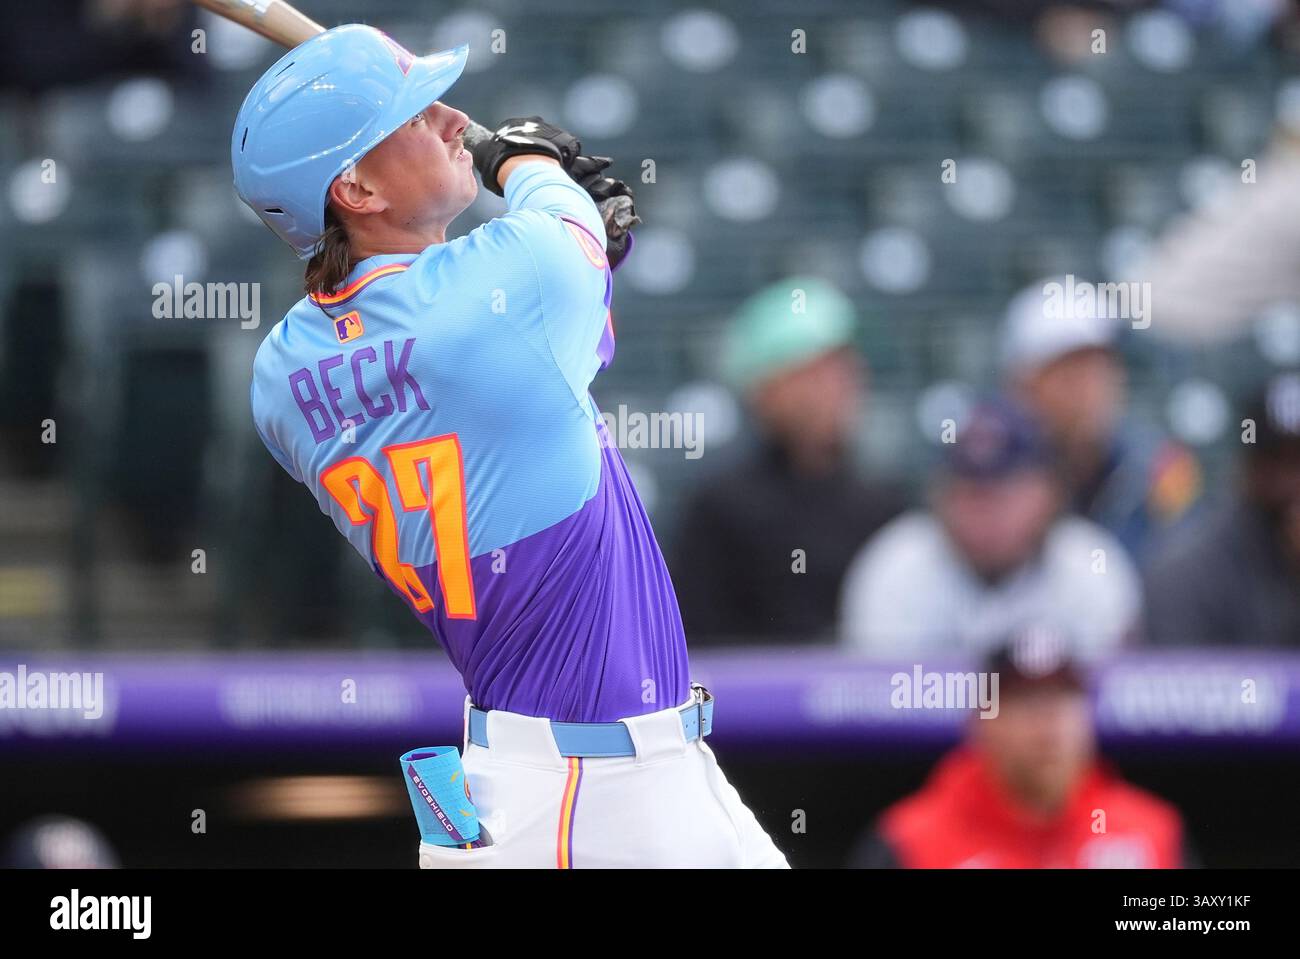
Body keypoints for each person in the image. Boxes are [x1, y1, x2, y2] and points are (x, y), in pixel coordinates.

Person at [233, 25, 786, 868]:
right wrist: (522, 154)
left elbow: (493, 298)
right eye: (416, 115)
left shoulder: (279, 375)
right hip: (589, 794)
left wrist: (529, 187)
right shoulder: (505, 287)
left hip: (579, 773)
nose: (453, 116)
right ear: (354, 186)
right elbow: (554, 219)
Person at [670, 277, 905, 644]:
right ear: (764, 390)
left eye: (842, 367)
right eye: (812, 373)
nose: (837, 385)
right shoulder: (719, 512)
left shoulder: (884, 503)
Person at [850, 632, 1191, 868]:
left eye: (1063, 698)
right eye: (1025, 701)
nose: (1049, 722)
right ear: (981, 721)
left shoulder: (1154, 832)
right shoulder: (908, 843)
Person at [840, 398, 1140, 658]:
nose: (986, 512)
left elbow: (1108, 702)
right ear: (941, 494)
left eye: (1004, 493)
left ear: (1047, 493)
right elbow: (878, 710)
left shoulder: (1090, 564)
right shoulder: (895, 567)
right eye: (971, 492)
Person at [1000, 280, 1201, 562]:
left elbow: (1184, 565)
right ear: (1024, 386)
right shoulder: (992, 477)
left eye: (1101, 368)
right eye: (1070, 374)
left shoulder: (1162, 466)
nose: (1091, 389)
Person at [1144, 371, 1300, 646]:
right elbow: (1187, 681)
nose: (1294, 482)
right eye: (1282, 462)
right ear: (1247, 467)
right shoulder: (1190, 574)